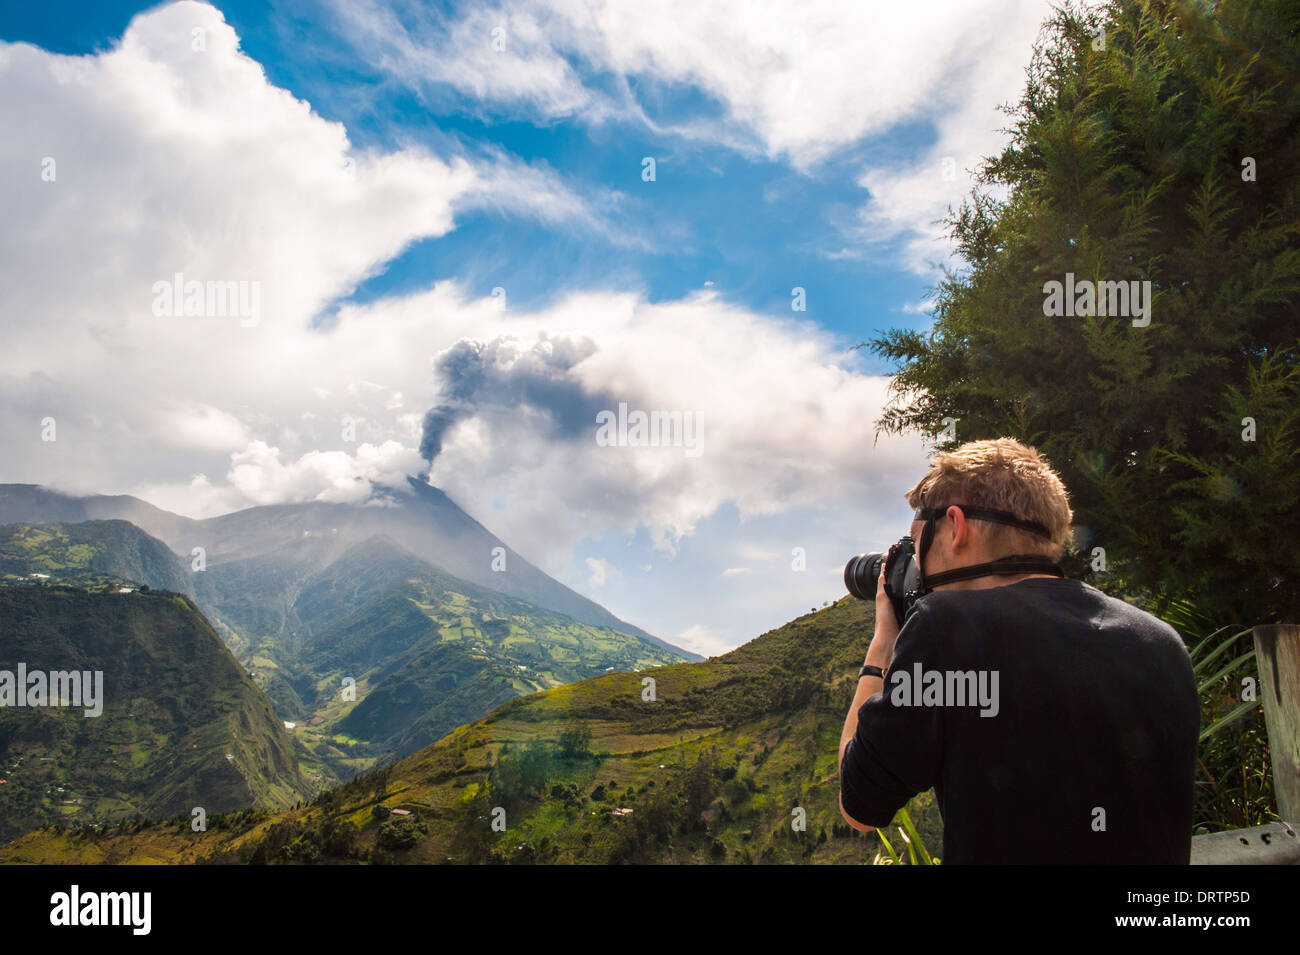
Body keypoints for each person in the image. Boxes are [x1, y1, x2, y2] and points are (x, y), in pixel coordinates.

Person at [837, 438, 1200, 863]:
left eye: (918, 542)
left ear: (955, 526)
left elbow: (860, 805)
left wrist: (883, 641)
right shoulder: (1159, 641)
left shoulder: (945, 627)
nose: (917, 563)